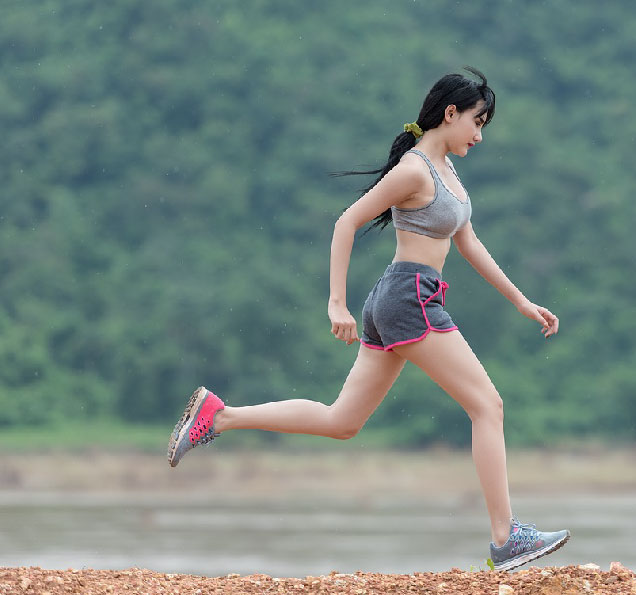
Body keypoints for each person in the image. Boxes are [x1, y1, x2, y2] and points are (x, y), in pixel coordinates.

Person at [166, 67, 570, 571]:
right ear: (450, 114)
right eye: (476, 121)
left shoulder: (446, 171)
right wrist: (335, 303)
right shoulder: (416, 170)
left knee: (342, 422)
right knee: (488, 405)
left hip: (397, 300)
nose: (480, 134)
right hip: (409, 300)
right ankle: (506, 538)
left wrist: (520, 301)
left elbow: (468, 242)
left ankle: (219, 417)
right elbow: (346, 222)